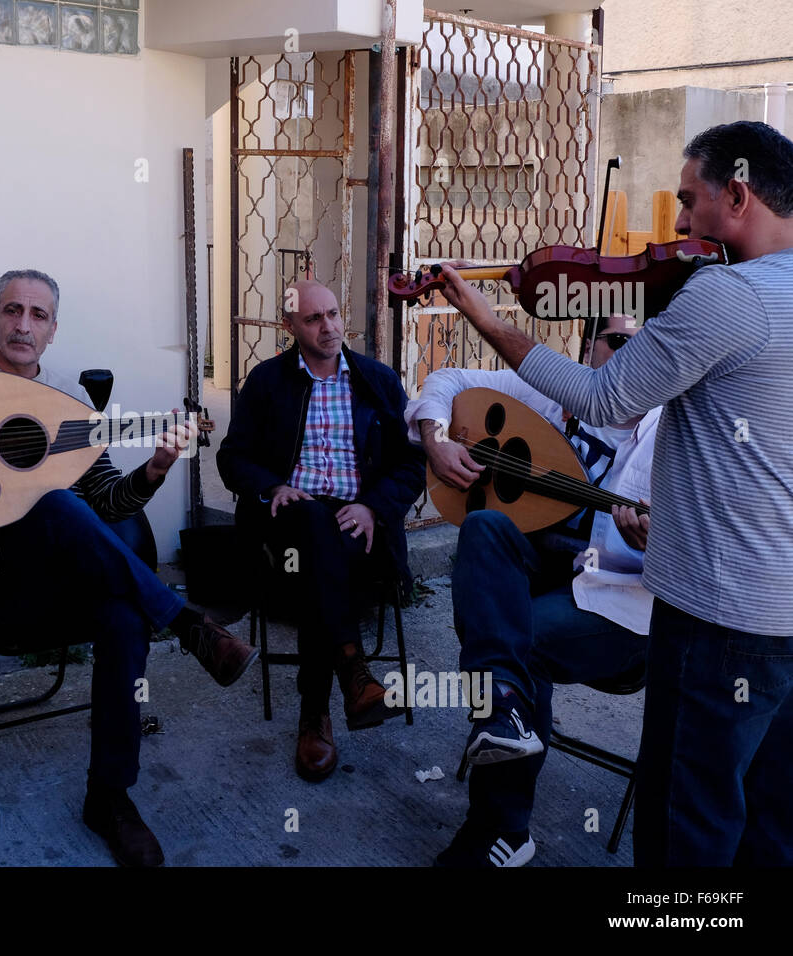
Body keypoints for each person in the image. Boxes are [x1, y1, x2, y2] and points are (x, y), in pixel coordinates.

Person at [436, 120, 793, 866]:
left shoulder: (728, 294)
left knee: (684, 830)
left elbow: (604, 396)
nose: (682, 224)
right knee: (767, 822)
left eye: (690, 201)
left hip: (718, 616)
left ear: (737, 191)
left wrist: (482, 318)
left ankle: (504, 807)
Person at [0, 268, 257, 868]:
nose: (23, 325)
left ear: (53, 330)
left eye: (38, 315)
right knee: (54, 502)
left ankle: (108, 797)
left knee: (121, 612)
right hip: (1, 587)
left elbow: (110, 500)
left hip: (70, 580)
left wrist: (156, 470)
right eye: (13, 310)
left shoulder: (70, 403)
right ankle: (187, 622)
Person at [407, 314, 658, 866]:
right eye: (618, 341)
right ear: (589, 347)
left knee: (514, 640)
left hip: (615, 606)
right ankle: (503, 715)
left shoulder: (673, 434)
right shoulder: (551, 392)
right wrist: (438, 441)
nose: (631, 355)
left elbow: (703, 549)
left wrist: (650, 541)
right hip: (534, 577)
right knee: (483, 527)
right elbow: (445, 380)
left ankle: (500, 827)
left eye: (646, 345)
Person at [217, 280, 425, 782]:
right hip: (287, 526)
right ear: (290, 327)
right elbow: (231, 458)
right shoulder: (267, 382)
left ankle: (316, 715)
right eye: (313, 319)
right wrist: (272, 486)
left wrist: (374, 507)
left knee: (325, 551)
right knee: (313, 525)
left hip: (362, 530)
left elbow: (411, 465)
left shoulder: (376, 380)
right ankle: (353, 673)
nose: (328, 326)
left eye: (333, 314)